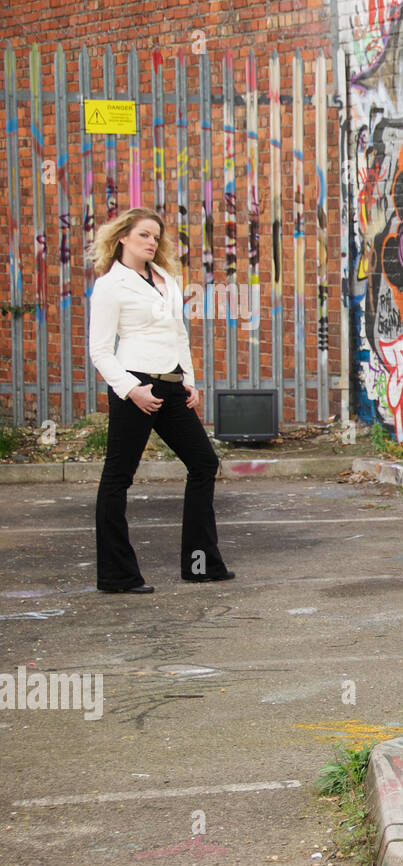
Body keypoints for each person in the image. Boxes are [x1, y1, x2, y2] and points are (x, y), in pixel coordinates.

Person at [88, 207, 234, 593]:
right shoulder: (110, 285)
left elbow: (178, 333)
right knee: (118, 478)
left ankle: (200, 564)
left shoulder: (167, 279)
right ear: (123, 237)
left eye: (156, 236)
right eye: (143, 235)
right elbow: (100, 350)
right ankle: (118, 577)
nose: (152, 242)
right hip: (133, 386)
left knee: (204, 463)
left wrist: (189, 379)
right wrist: (130, 390)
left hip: (171, 387)